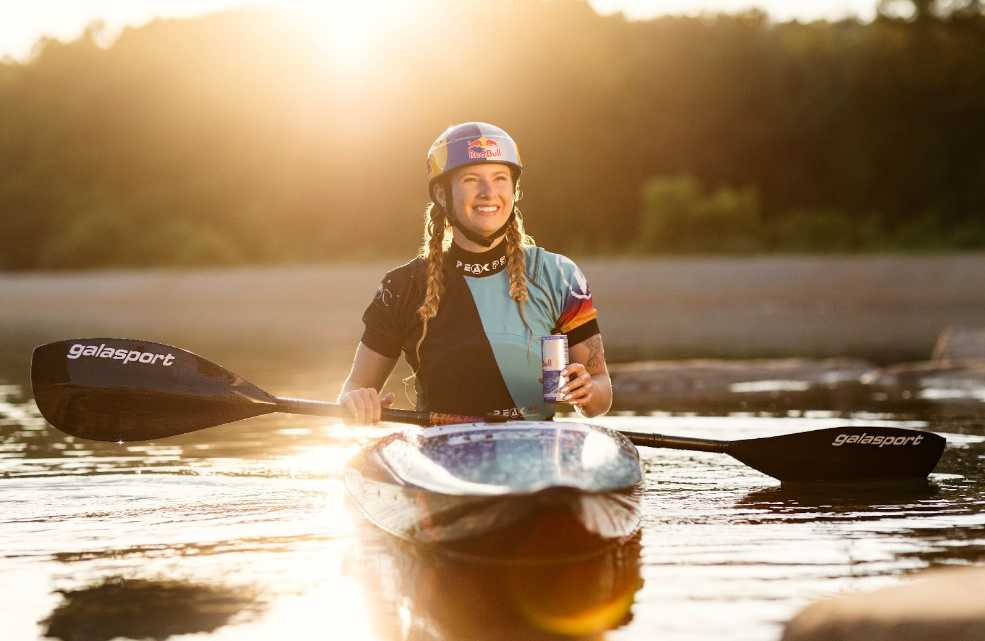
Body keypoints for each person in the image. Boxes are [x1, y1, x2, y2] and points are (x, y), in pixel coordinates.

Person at [338, 122, 611, 424]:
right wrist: (356, 402)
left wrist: (587, 391)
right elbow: (354, 389)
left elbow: (601, 393)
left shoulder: (559, 276)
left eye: (500, 178)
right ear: (442, 194)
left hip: (536, 454)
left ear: (514, 189)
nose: (489, 192)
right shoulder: (403, 287)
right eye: (471, 179)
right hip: (442, 457)